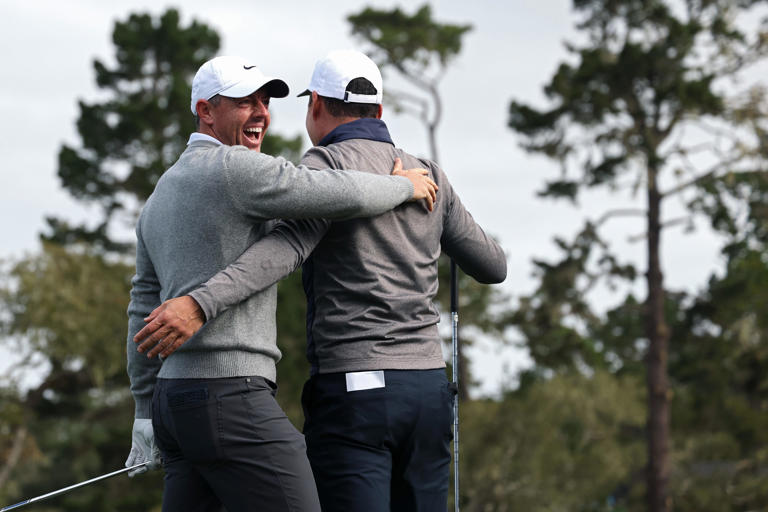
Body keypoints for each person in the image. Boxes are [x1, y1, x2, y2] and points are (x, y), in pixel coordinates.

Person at [134, 50, 506, 511]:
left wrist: (195, 308)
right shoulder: (427, 175)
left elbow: (282, 251)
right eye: (246, 101)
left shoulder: (316, 166)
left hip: (351, 392)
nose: (262, 113)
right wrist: (414, 192)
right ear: (380, 111)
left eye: (265, 101)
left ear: (315, 106)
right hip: (428, 390)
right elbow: (493, 266)